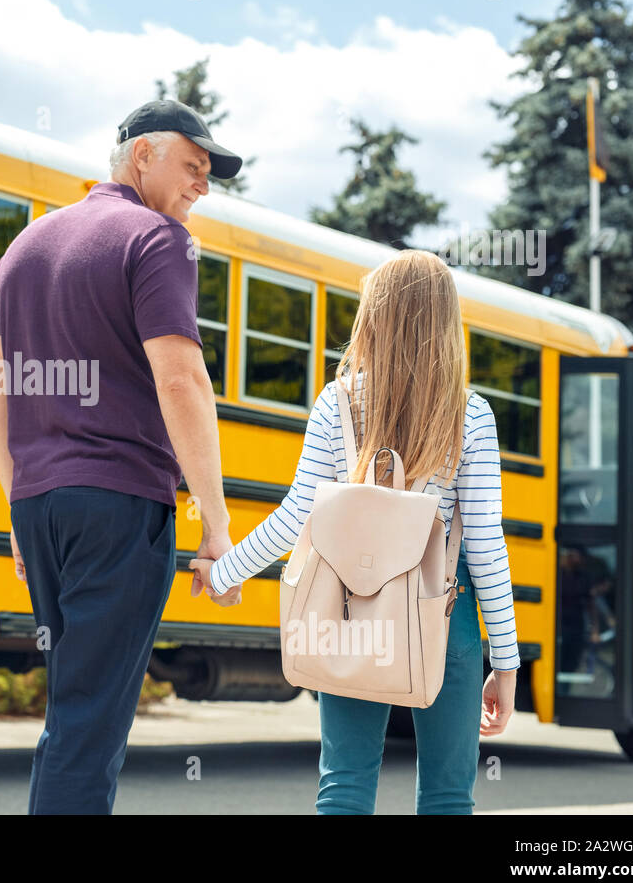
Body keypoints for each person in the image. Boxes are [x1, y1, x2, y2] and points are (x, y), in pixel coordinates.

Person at [0, 100, 244, 814]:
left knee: (74, 714)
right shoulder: (157, 241)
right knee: (90, 726)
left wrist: (18, 498)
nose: (203, 186)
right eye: (194, 166)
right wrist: (217, 526)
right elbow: (182, 380)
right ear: (142, 156)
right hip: (119, 505)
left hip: (40, 507)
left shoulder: (25, 246)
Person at [191, 249, 520, 814]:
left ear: (375, 316)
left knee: (343, 783)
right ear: (446, 323)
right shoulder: (471, 415)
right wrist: (507, 663)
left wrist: (225, 572)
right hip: (447, 613)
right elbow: (487, 544)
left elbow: (300, 516)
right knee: (447, 794)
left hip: (349, 606)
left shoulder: (336, 402)